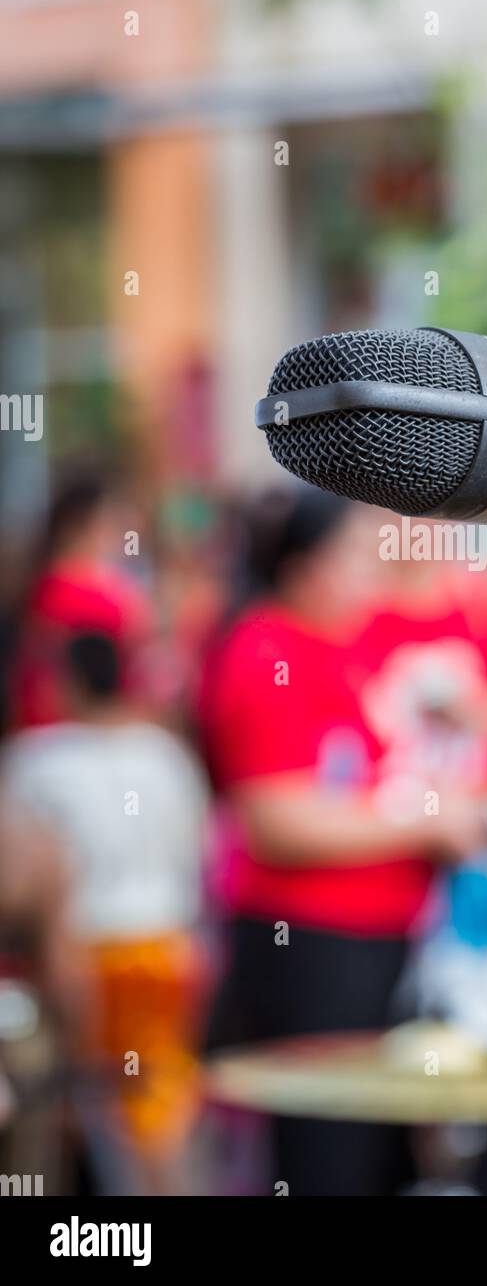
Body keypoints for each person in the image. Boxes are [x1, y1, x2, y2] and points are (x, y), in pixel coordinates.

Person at [200, 485, 487, 1196]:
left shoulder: (349, 642)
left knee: (379, 1151)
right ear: (303, 566)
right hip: (310, 945)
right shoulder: (265, 650)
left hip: (382, 940)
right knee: (327, 1155)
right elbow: (278, 820)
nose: (376, 571)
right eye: (358, 555)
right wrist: (424, 821)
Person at [1, 633, 208, 1193]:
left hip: (84, 952)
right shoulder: (164, 753)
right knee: (158, 1104)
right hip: (164, 943)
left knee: (86, 1106)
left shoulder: (37, 759)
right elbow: (197, 848)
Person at [8, 471, 153, 730]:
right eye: (113, 521)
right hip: (84, 741)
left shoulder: (41, 586)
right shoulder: (90, 598)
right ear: (83, 525)